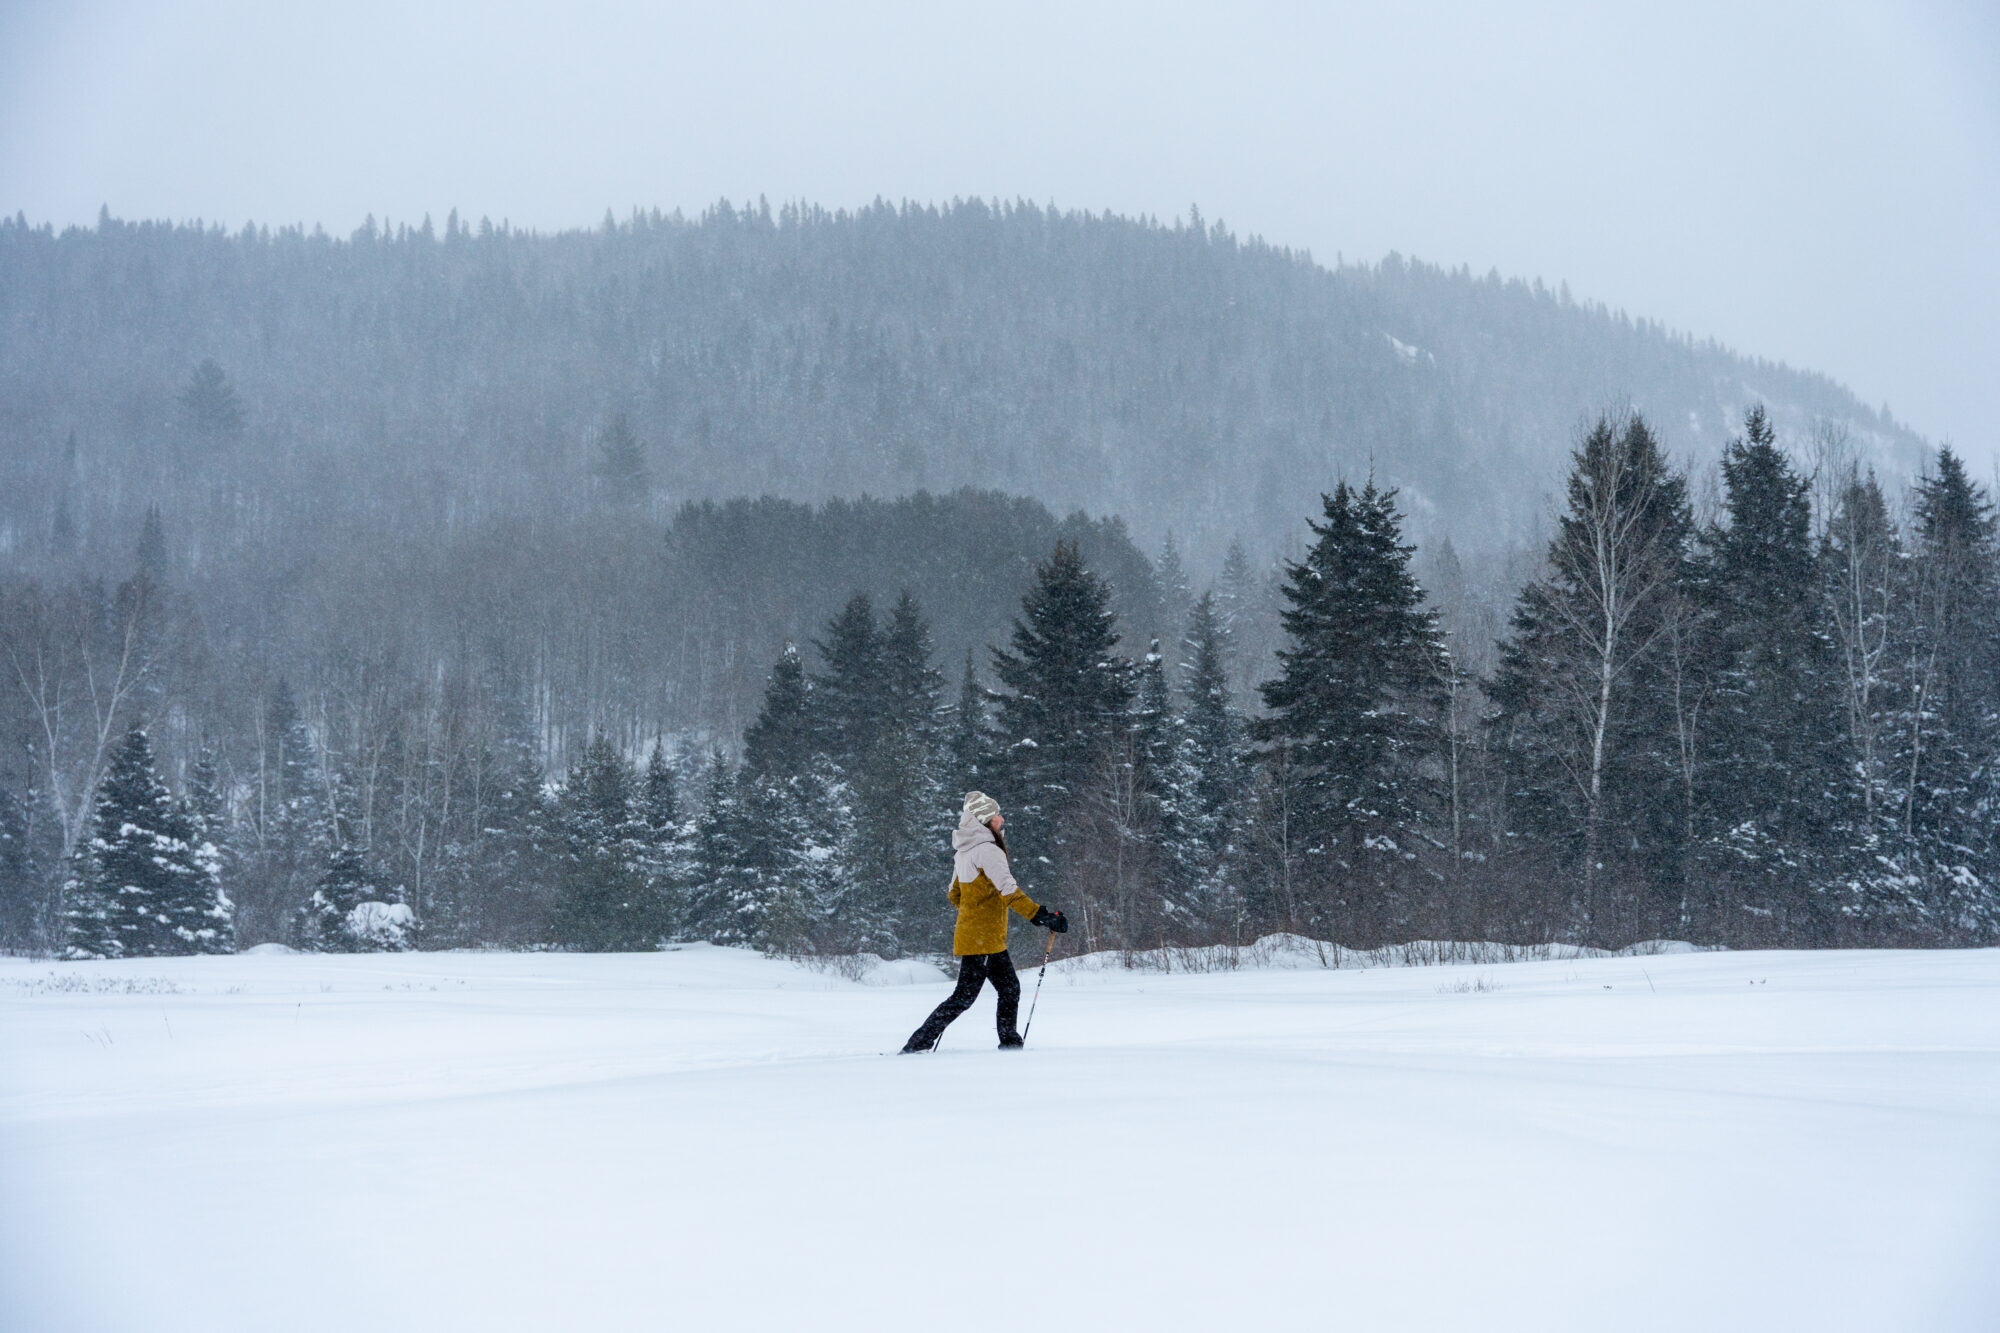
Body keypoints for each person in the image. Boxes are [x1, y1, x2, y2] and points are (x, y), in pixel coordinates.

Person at [900, 791, 1067, 1052]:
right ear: (985, 820)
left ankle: (1009, 1041)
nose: (1001, 819)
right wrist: (1041, 916)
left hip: (978, 935)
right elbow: (1009, 890)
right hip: (984, 938)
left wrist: (976, 910)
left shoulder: (964, 851)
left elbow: (954, 894)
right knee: (965, 997)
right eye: (997, 815)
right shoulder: (988, 851)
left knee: (1007, 988)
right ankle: (919, 1043)